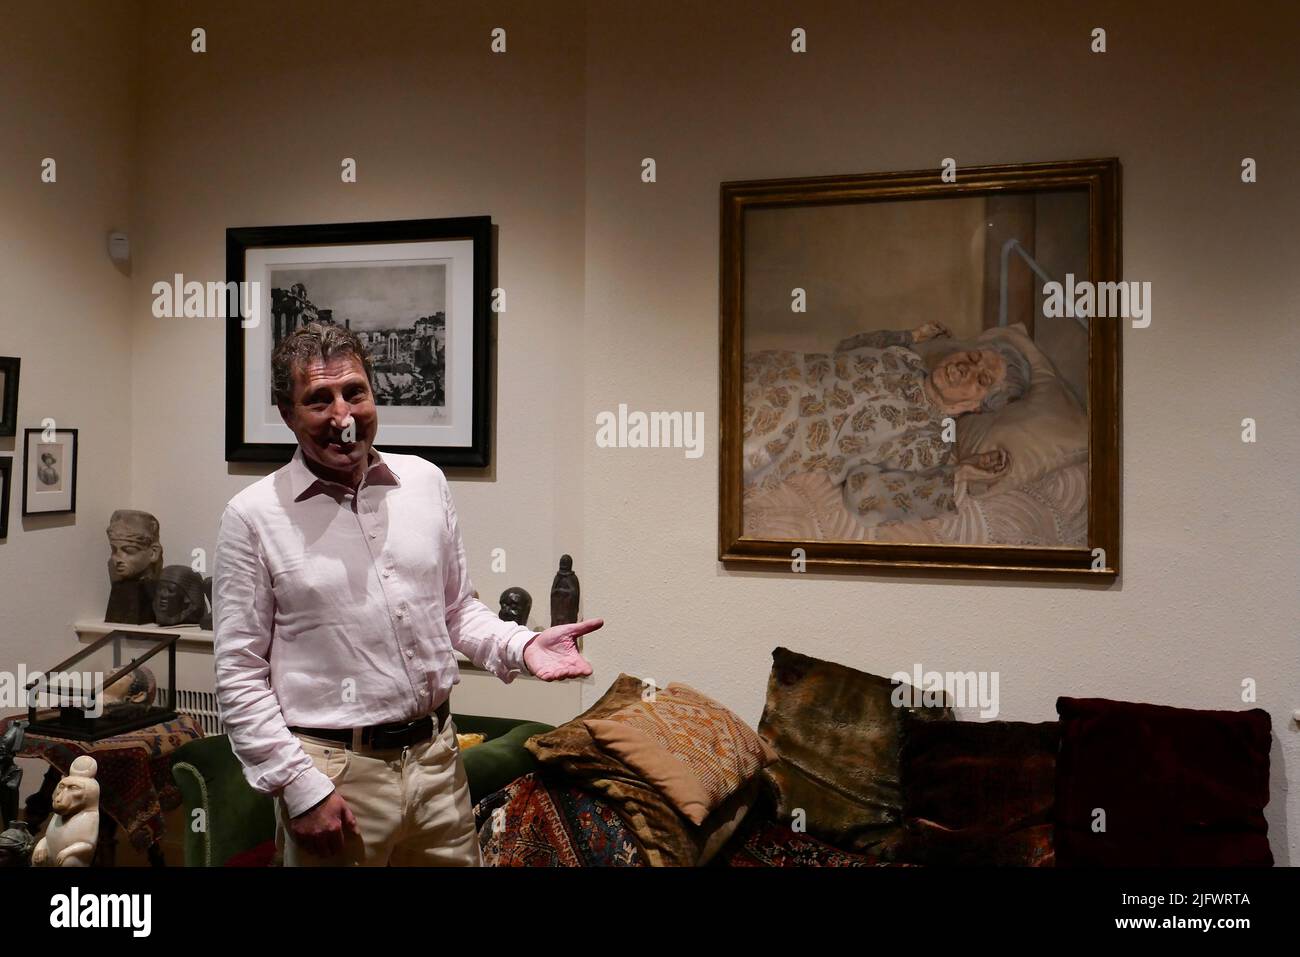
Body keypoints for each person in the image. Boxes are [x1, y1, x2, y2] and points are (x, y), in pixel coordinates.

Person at [213, 321, 601, 866]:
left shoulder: (424, 482)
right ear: (287, 414)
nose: (343, 416)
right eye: (318, 400)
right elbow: (238, 674)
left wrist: (523, 646)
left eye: (355, 392)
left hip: (439, 761)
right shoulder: (253, 517)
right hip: (336, 776)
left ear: (374, 393)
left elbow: (456, 609)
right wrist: (300, 789)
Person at [743, 322, 1031, 526]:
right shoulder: (904, 357)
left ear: (977, 407)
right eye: (972, 357)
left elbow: (864, 495)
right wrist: (910, 335)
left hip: (772, 428)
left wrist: (960, 475)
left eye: (981, 380)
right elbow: (846, 347)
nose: (965, 368)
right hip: (764, 368)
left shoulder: (930, 444)